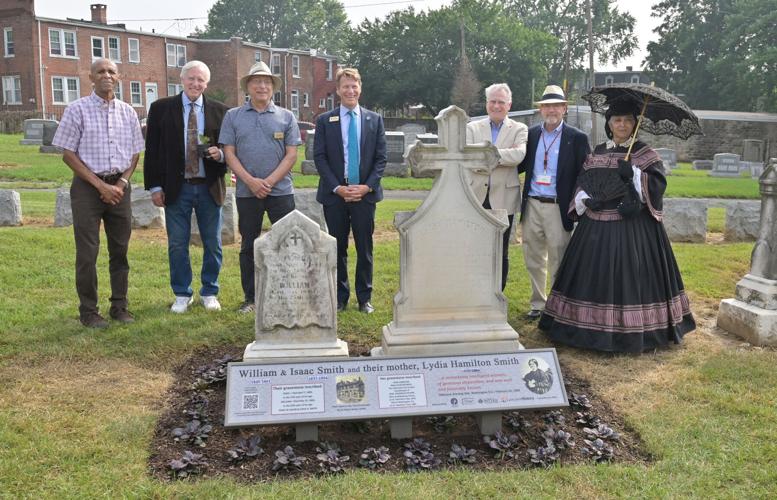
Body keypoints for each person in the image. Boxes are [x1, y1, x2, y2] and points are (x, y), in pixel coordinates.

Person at [538, 99, 696, 353]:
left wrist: (635, 175)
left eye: (627, 120)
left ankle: (632, 331)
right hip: (595, 227)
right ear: (609, 124)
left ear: (635, 124)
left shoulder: (645, 153)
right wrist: (585, 199)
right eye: (617, 120)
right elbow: (583, 182)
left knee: (630, 277)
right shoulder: (598, 152)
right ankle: (584, 328)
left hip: (632, 228)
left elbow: (657, 187)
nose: (622, 125)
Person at [52, 58, 144, 328]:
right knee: (87, 252)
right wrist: (100, 185)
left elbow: (135, 154)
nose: (107, 75)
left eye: (111, 71)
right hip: (87, 189)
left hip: (120, 188)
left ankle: (120, 306)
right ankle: (89, 311)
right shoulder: (76, 110)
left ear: (119, 77)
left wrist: (121, 184)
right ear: (91, 77)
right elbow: (68, 154)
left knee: (120, 250)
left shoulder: (128, 112)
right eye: (100, 71)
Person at [144, 61, 229, 313]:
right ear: (181, 79)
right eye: (191, 78)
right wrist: (154, 187)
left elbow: (231, 149)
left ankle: (210, 291)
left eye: (200, 80)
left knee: (213, 243)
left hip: (209, 186)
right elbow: (152, 150)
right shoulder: (161, 109)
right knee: (177, 244)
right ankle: (182, 293)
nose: (195, 83)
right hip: (175, 187)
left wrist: (221, 155)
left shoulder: (221, 111)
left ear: (207, 83)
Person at [220, 61, 301, 314]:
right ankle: (251, 298)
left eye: (266, 82)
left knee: (287, 245)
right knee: (249, 246)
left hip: (281, 192)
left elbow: (291, 155)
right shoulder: (233, 116)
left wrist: (269, 182)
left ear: (272, 87)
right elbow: (229, 153)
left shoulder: (286, 117)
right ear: (248, 87)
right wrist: (251, 181)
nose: (262, 86)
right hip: (247, 193)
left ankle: (287, 297)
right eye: (257, 82)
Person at [314, 67, 387, 314]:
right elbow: (320, 157)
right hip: (335, 195)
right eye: (345, 86)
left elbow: (381, 159)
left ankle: (364, 298)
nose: (350, 91)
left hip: (364, 194)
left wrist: (367, 187)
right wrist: (337, 187)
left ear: (360, 88)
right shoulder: (325, 121)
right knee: (337, 248)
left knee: (364, 248)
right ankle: (340, 297)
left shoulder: (374, 120)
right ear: (337, 90)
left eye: (354, 86)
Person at [518, 85, 590, 320]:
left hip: (558, 206)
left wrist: (579, 204)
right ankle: (538, 304)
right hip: (532, 204)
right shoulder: (530, 135)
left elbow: (585, 174)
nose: (551, 110)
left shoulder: (577, 138)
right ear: (541, 110)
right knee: (533, 257)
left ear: (564, 108)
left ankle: (557, 306)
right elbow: (519, 165)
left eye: (556, 105)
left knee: (559, 258)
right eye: (547, 106)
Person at [466, 83, 528, 291]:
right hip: (476, 196)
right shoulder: (472, 128)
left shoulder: (519, 129)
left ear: (509, 105)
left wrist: (486, 155)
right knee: (474, 247)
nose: (496, 106)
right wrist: (503, 155)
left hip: (504, 197)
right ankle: (474, 291)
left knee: (500, 250)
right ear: (486, 103)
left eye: (501, 102)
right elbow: (470, 158)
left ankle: (496, 294)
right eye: (492, 101)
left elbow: (518, 155)